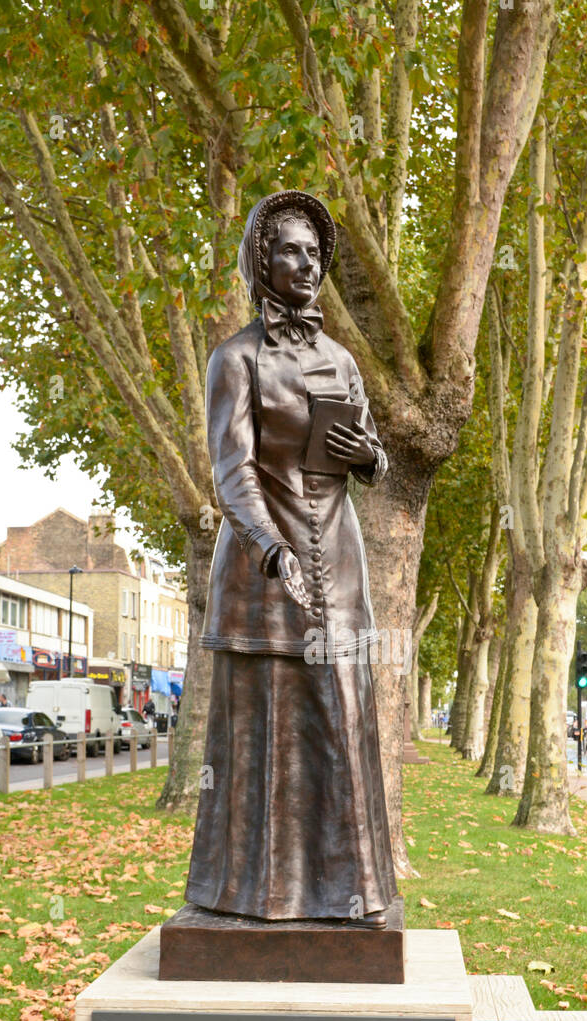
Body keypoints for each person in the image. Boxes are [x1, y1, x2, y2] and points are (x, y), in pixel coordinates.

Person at [183, 190, 396, 929]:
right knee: (263, 735)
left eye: (313, 253)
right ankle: (249, 895)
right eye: (289, 251)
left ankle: (349, 893)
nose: (304, 264)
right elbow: (232, 469)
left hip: (338, 562)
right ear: (261, 261)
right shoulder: (234, 358)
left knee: (340, 719)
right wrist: (269, 546)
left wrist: (372, 455)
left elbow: (373, 456)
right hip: (260, 567)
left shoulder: (340, 359)